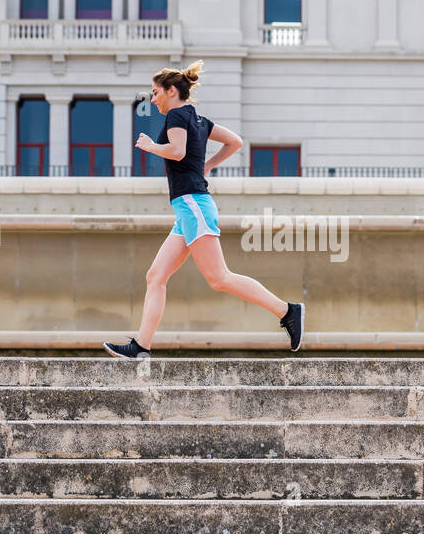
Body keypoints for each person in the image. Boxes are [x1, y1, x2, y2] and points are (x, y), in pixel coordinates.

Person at [103, 60, 305, 359]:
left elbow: (177, 151)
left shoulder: (175, 117)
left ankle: (287, 311)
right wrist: (207, 165)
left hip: (192, 204)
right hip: (189, 207)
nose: (153, 98)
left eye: (156, 92)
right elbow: (234, 142)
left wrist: (149, 146)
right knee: (155, 276)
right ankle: (142, 346)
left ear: (172, 91)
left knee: (218, 278)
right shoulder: (197, 119)